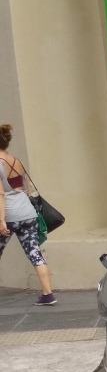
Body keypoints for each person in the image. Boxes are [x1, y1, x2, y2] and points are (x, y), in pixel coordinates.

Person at [0, 123, 56, 305]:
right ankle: (48, 294)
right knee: (35, 253)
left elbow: (1, 194)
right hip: (28, 213)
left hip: (8, 215)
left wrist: (1, 220)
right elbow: (22, 187)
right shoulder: (16, 161)